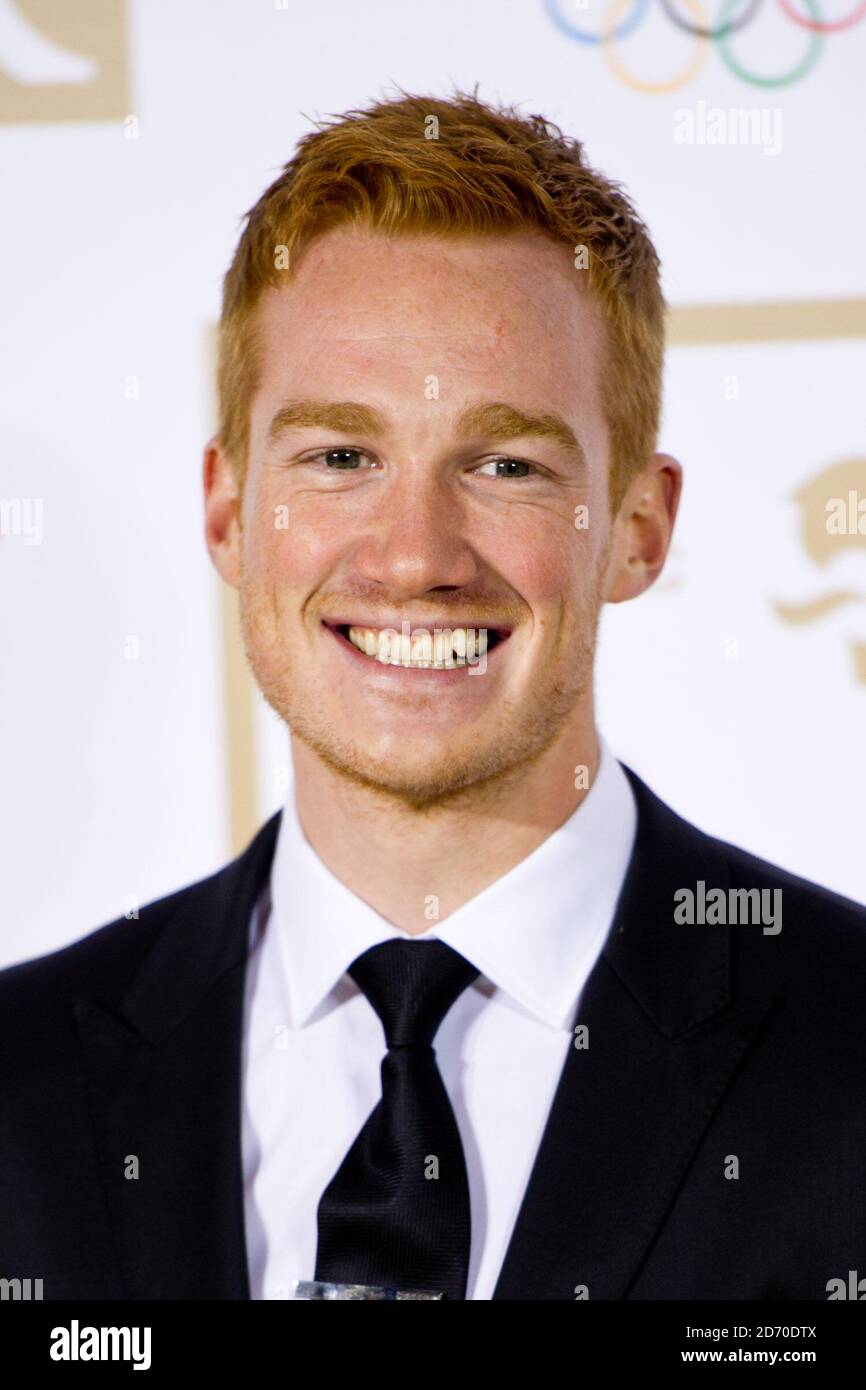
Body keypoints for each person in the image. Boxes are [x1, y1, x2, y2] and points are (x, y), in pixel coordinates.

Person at [2, 88, 865, 1302]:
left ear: (635, 526)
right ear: (226, 511)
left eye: (504, 464)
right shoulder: (23, 1082)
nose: (413, 556)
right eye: (339, 458)